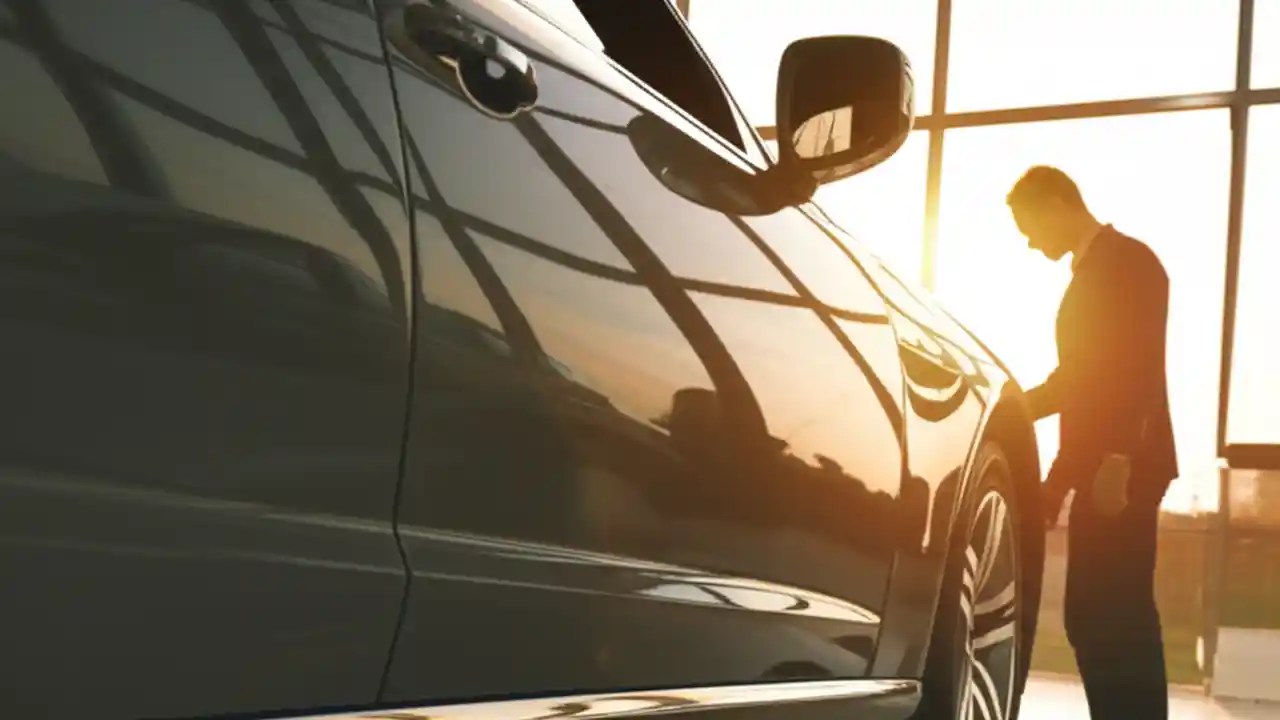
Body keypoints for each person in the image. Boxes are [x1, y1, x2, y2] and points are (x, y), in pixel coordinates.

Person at [1007, 166, 1178, 719]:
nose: (1031, 245)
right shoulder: (1090, 274)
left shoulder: (1130, 262)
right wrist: (1019, 422)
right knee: (1096, 613)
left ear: (1058, 203)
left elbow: (1140, 370)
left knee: (1114, 612)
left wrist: (1119, 458)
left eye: (1029, 227)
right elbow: (1081, 384)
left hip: (1123, 467)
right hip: (1100, 463)